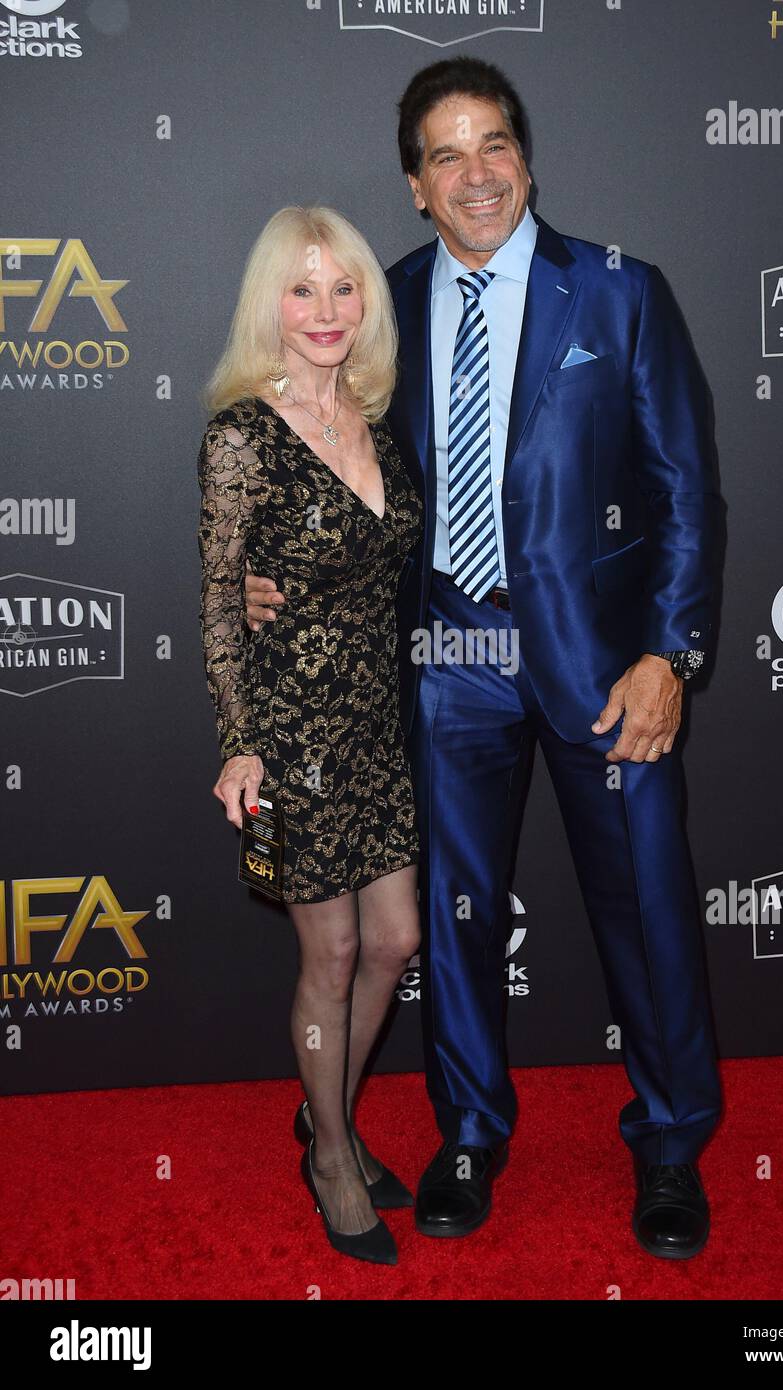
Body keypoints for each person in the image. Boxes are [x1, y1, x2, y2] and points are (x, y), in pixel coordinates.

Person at [246, 58, 724, 1260]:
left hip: (604, 664)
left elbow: (685, 489)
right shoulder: (386, 306)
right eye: (447, 156)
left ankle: (669, 1142)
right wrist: (270, 572)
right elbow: (329, 464)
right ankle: (468, 1132)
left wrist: (671, 649)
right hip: (444, 653)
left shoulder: (618, 293)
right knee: (455, 919)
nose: (477, 175)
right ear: (414, 184)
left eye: (495, 145)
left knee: (649, 906)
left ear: (528, 157)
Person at [197, 205, 424, 1266]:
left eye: (344, 288)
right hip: (292, 735)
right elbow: (214, 600)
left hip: (378, 727)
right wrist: (240, 741)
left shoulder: (380, 414)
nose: (326, 310)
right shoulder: (243, 435)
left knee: (393, 943)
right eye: (302, 288)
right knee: (328, 952)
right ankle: (332, 1152)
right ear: (269, 307)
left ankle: (317, 1102)